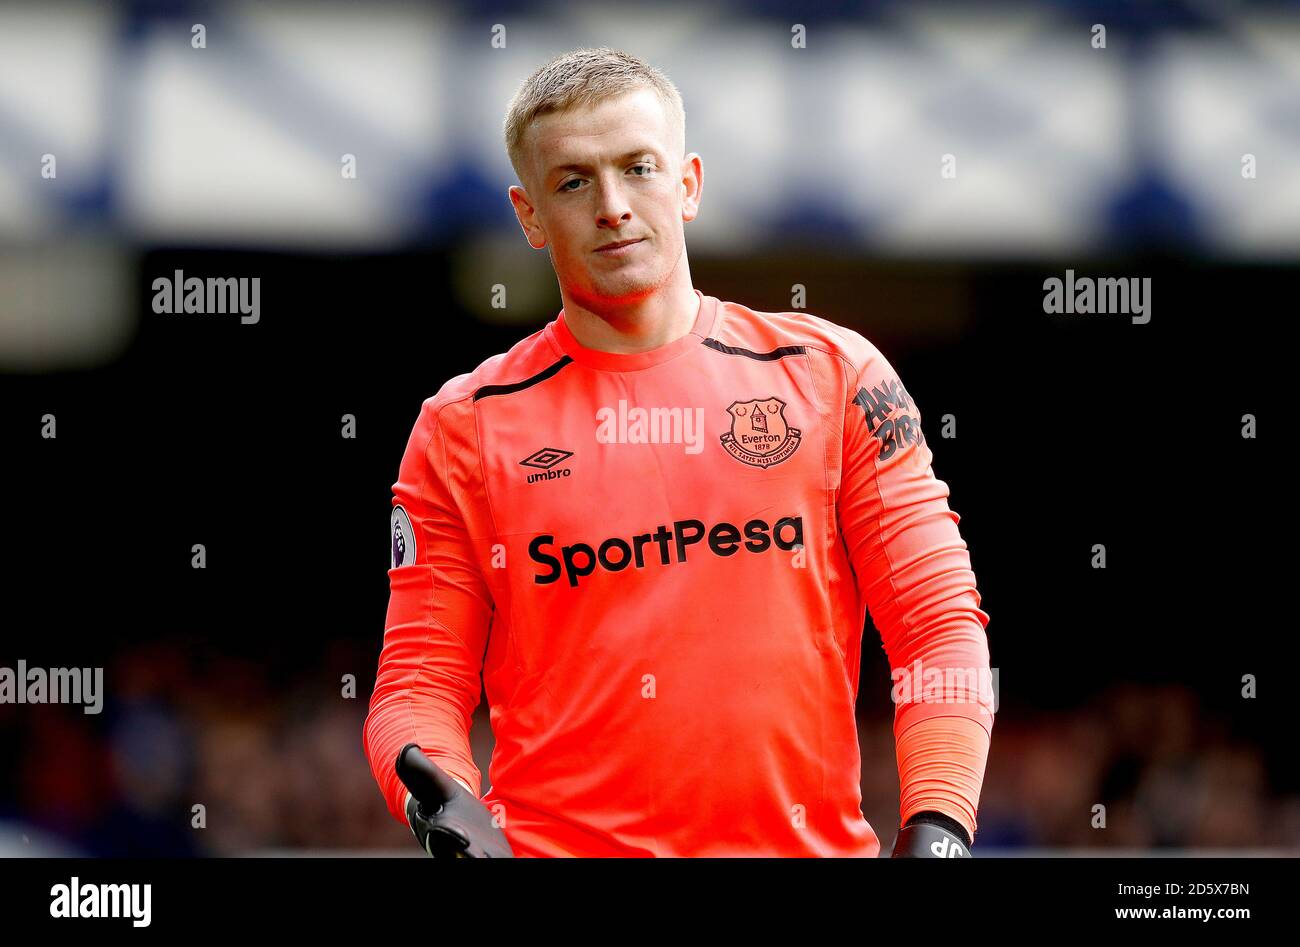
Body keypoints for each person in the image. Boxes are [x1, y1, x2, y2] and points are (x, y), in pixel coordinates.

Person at [363, 47, 994, 857]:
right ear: (528, 216)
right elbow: (416, 685)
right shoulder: (465, 427)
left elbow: (937, 628)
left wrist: (939, 823)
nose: (614, 205)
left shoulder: (835, 378)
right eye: (573, 181)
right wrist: (443, 796)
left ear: (688, 182)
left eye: (639, 167)